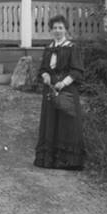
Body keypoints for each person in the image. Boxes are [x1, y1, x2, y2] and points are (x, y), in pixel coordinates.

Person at [33, 16, 86, 169]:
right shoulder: (48, 48)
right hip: (50, 90)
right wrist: (45, 75)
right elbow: (43, 68)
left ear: (66, 30)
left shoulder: (72, 47)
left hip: (67, 89)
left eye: (60, 28)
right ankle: (49, 160)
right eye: (55, 28)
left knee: (66, 123)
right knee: (51, 121)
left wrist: (63, 83)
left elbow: (77, 70)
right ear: (51, 30)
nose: (57, 31)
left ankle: (67, 161)